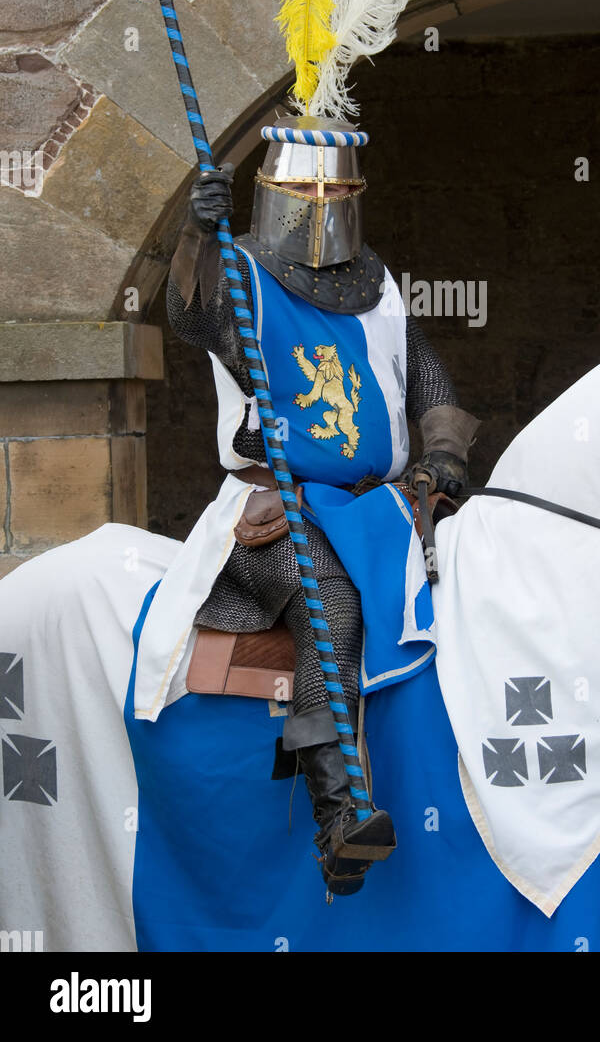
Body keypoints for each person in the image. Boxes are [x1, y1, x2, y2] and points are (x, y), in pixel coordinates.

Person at [167, 112, 479, 895]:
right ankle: (342, 819)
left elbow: (426, 380)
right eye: (306, 191)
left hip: (377, 506)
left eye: (336, 190)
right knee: (330, 608)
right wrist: (198, 234)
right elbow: (191, 318)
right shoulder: (240, 276)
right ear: (274, 195)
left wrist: (440, 458)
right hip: (276, 512)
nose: (321, 205)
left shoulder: (375, 285)